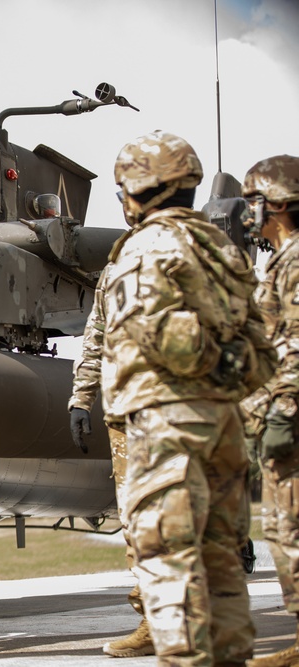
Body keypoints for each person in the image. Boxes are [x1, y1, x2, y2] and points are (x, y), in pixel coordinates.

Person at [100, 131, 276, 666]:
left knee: (170, 574)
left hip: (167, 431)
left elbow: (160, 335)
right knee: (222, 574)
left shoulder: (146, 247)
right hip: (223, 429)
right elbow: (260, 350)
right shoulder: (221, 247)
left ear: (138, 189)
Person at [69, 260, 155, 658]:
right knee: (138, 522)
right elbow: (98, 333)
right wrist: (81, 398)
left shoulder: (189, 250)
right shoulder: (117, 265)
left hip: (177, 411)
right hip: (126, 415)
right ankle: (155, 622)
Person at [238, 155, 299, 667]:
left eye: (252, 201)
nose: (247, 212)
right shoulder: (279, 261)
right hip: (278, 414)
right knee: (282, 529)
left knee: (290, 529)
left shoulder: (296, 262)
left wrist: (285, 411)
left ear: (275, 204)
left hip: (291, 419)